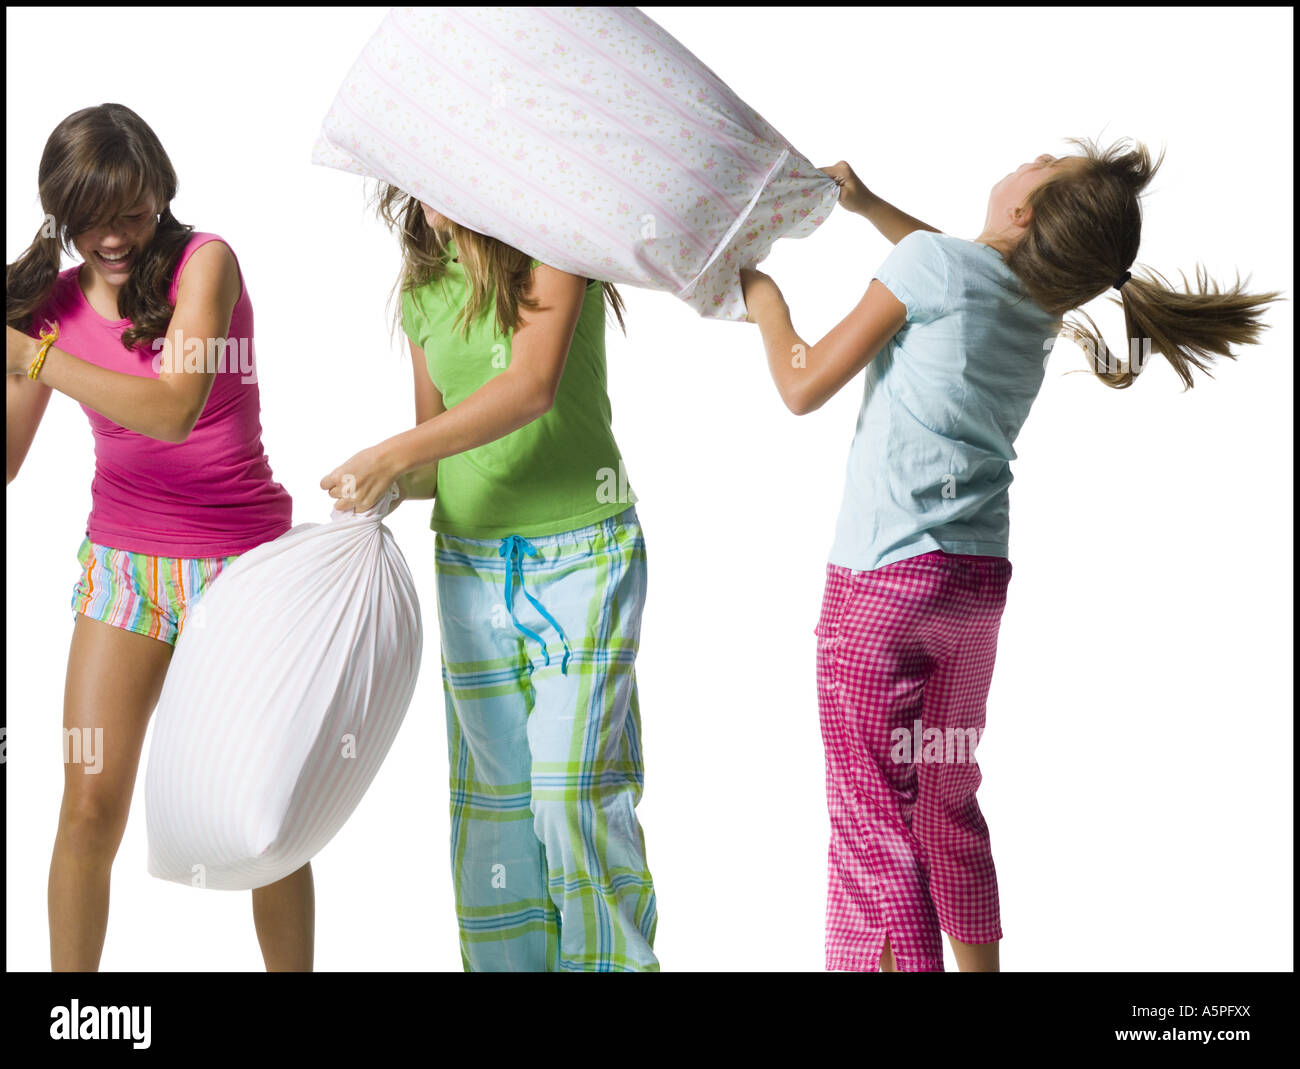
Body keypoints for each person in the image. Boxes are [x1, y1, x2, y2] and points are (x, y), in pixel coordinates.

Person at [739, 137, 1281, 972]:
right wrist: (874, 208)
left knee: (873, 828)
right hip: (969, 593)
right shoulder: (1033, 302)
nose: (1030, 155)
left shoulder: (934, 267)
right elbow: (948, 266)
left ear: (1023, 211)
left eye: (1043, 160)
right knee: (945, 801)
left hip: (881, 593)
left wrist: (766, 304)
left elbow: (803, 384)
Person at [6, 103, 312, 971]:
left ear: (160, 195)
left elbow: (176, 407)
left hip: (241, 568)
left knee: (265, 815)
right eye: (95, 219)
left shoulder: (203, 263)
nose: (115, 238)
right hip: (124, 570)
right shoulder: (52, 305)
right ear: (63, 210)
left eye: (134, 211)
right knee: (88, 800)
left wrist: (30, 354)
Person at [320, 186, 658, 971]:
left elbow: (531, 386)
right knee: (495, 813)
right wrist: (378, 485)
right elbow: (436, 460)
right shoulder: (422, 289)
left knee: (570, 794)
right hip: (469, 566)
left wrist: (391, 454)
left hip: (584, 550)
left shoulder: (556, 247)